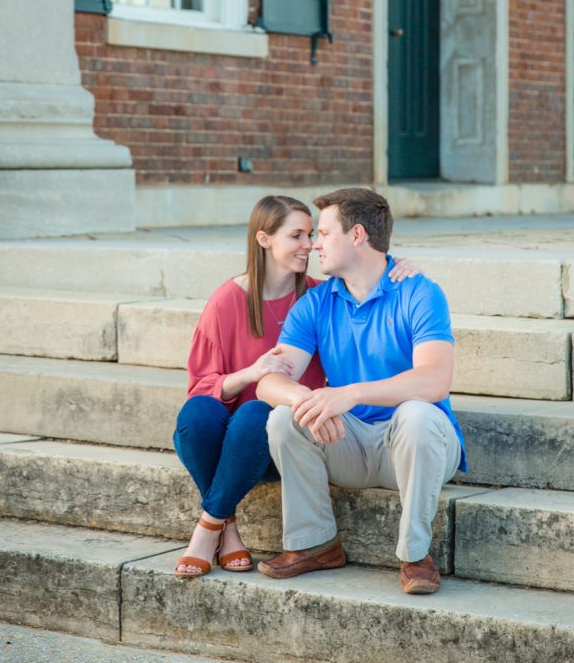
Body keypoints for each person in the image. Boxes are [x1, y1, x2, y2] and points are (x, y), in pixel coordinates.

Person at [172, 193, 422, 579]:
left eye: (313, 234)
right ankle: (225, 523)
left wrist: (397, 265)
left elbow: (367, 268)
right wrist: (252, 373)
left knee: (259, 413)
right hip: (232, 442)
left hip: (281, 437)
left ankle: (208, 526)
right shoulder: (226, 301)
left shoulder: (318, 295)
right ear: (264, 239)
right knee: (197, 413)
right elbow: (202, 384)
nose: (310, 245)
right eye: (297, 236)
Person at [256, 187, 467, 595]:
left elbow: (434, 380)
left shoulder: (420, 292)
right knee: (285, 417)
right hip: (349, 442)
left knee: (419, 413)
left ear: (356, 236)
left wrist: (349, 394)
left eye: (324, 233)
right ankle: (314, 544)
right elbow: (269, 381)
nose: (315, 243)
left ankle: (415, 555)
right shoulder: (316, 302)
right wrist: (309, 400)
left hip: (416, 445)